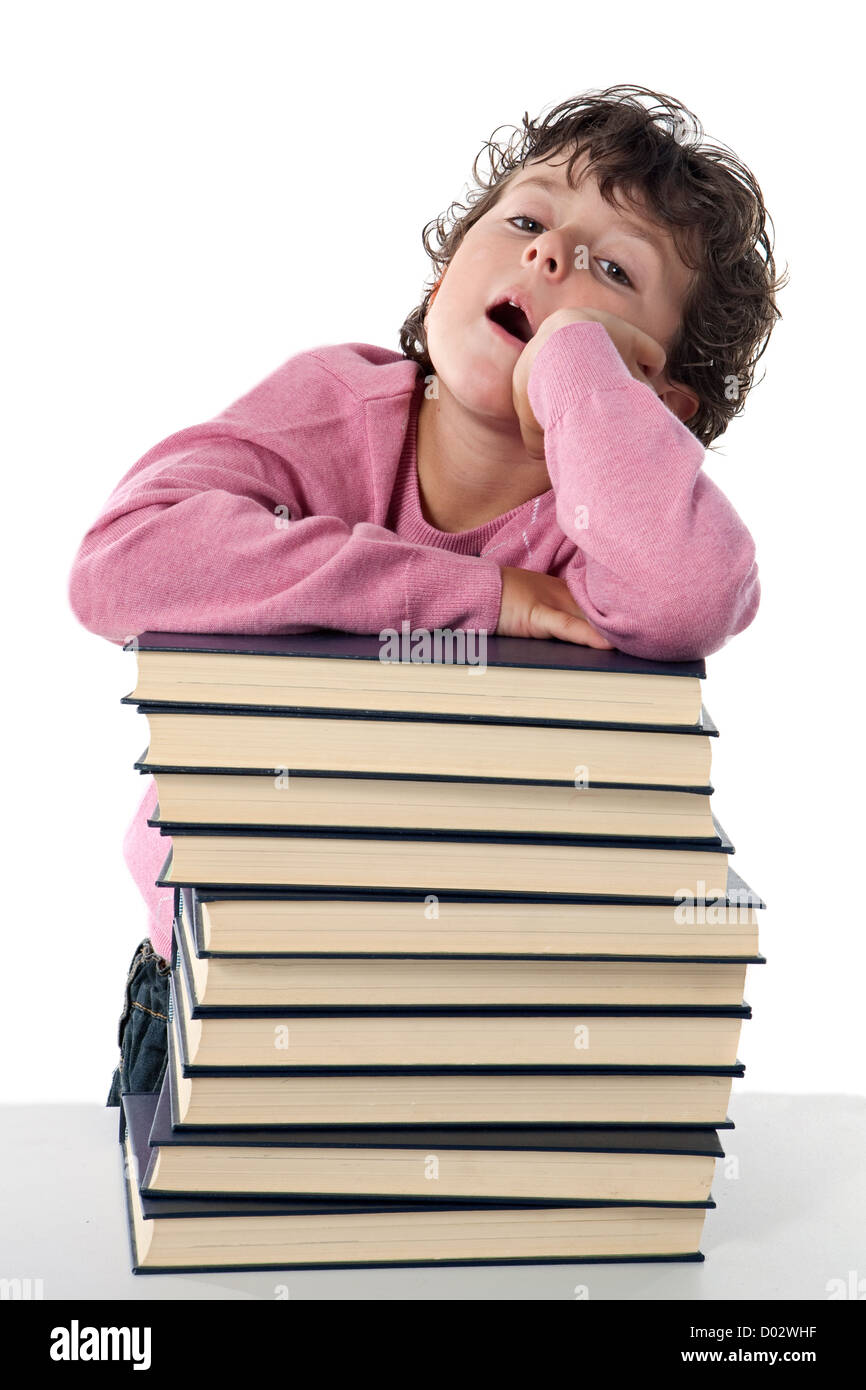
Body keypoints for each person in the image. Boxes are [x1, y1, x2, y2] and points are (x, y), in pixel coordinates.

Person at [67, 84, 786, 1108]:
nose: (549, 259)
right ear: (450, 269)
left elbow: (690, 591)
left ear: (657, 397)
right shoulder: (332, 406)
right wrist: (482, 594)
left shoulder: (612, 528)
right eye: (527, 222)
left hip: (493, 1020)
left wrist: (577, 368)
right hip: (221, 988)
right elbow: (123, 563)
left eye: (611, 271)